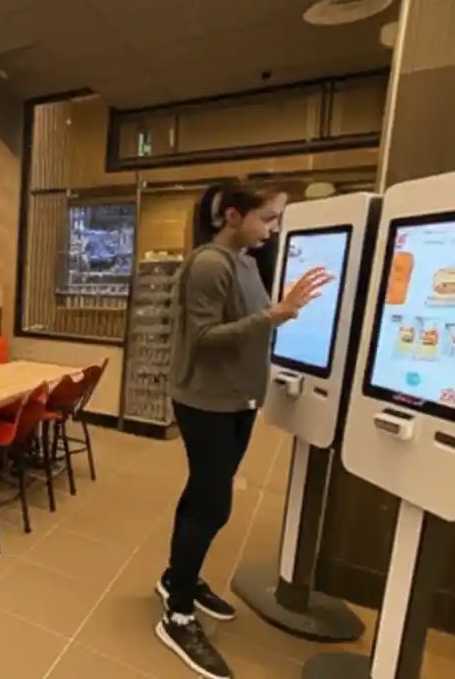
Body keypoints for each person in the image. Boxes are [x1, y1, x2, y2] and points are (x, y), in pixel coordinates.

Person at [154, 184, 332, 679]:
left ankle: (176, 579)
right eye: (269, 219)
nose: (274, 228)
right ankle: (178, 615)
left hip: (237, 400)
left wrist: (271, 320)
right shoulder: (210, 264)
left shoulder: (249, 262)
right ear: (233, 215)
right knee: (214, 503)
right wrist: (272, 316)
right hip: (206, 401)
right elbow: (205, 339)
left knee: (202, 495)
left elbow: (250, 326)